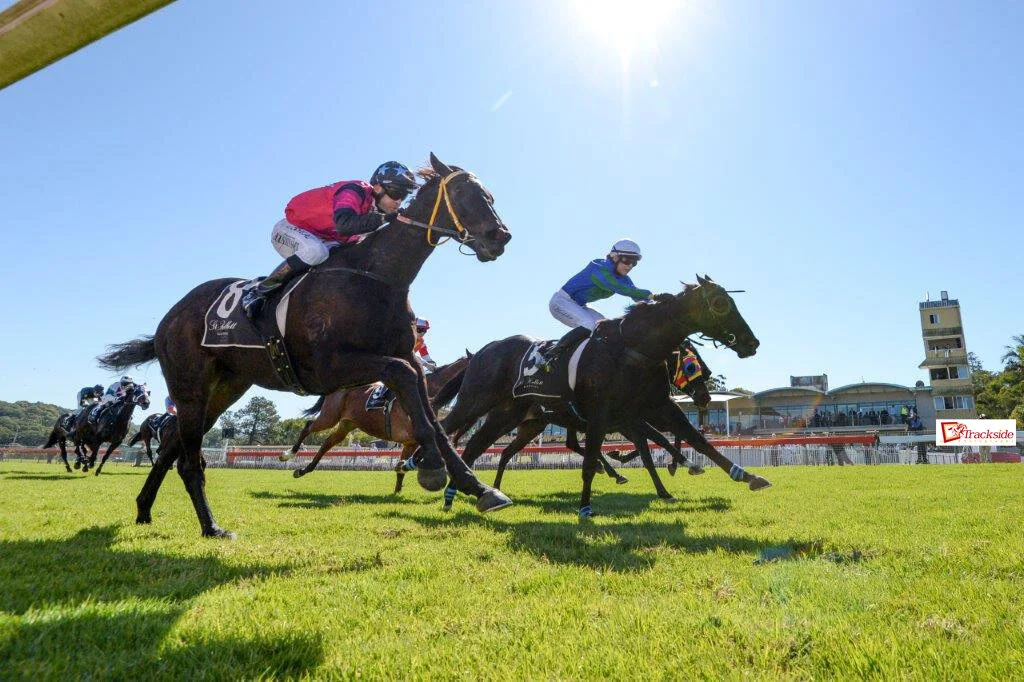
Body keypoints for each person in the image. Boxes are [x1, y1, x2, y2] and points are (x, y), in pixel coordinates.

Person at [242, 161, 419, 319]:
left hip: (321, 238)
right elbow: (344, 224)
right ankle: (259, 291)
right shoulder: (355, 190)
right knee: (315, 252)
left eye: (404, 196)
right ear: (378, 188)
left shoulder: (374, 211)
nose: (399, 202)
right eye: (397, 194)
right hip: (290, 229)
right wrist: (384, 220)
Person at [542, 239, 652, 368]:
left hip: (579, 306)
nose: (630, 266)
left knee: (607, 328)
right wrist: (653, 295)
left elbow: (636, 295)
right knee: (589, 324)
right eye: (627, 260)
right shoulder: (599, 268)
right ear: (614, 257)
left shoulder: (624, 279)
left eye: (634, 263)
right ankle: (549, 357)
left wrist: (657, 306)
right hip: (561, 302)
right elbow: (622, 289)